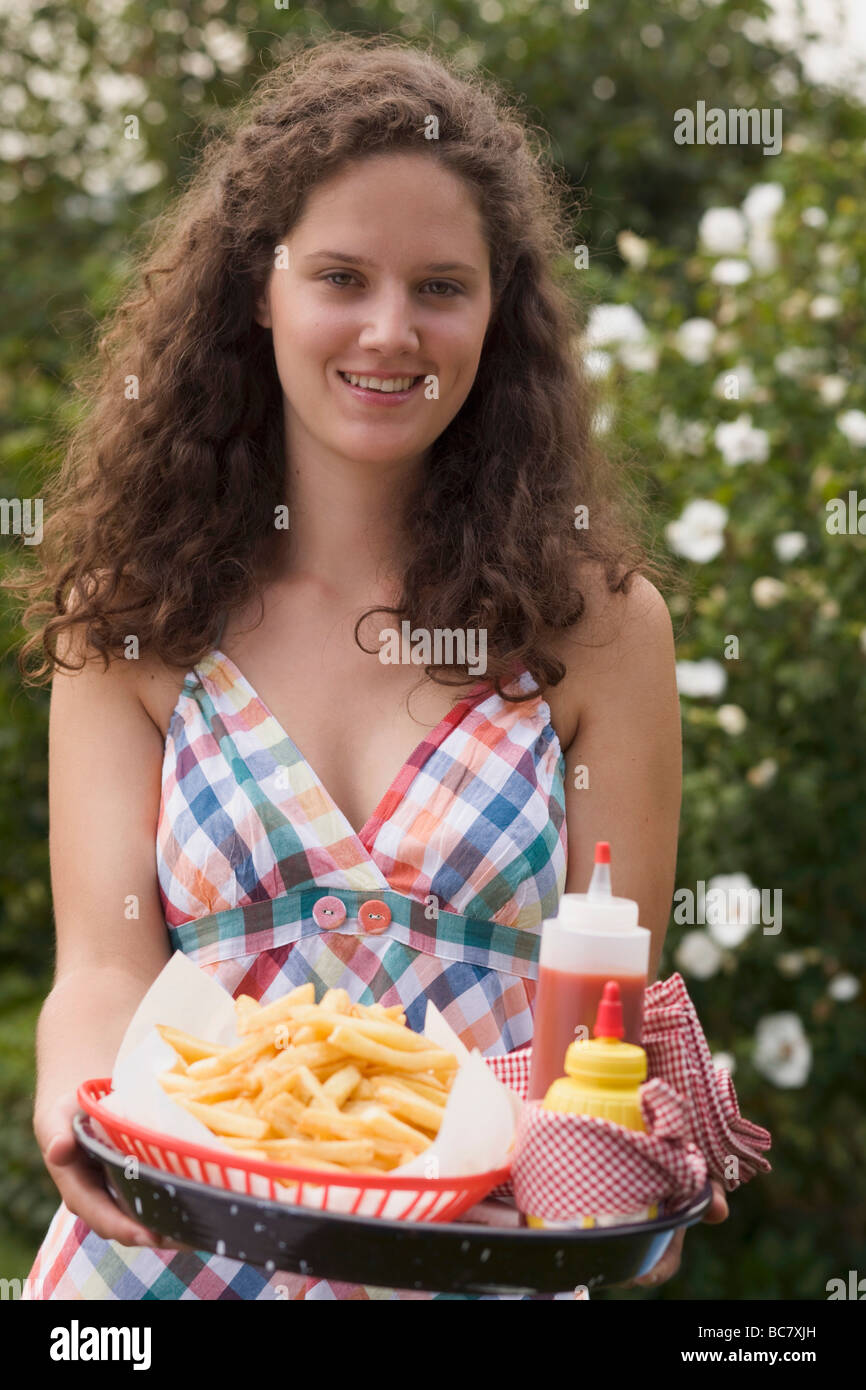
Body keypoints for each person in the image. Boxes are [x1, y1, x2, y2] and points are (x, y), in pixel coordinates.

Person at [13, 33, 726, 1301]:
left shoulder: (601, 630)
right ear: (259, 288)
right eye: (340, 275)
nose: (389, 332)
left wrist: (607, 1194)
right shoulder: (132, 617)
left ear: (497, 310)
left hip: (477, 1262)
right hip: (171, 1269)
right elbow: (108, 963)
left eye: (440, 287)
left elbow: (600, 1022)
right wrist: (76, 1102)